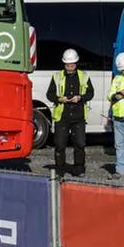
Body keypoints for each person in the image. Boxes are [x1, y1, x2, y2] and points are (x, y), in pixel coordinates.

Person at [47, 48, 92, 177]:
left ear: (76, 63)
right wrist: (58, 99)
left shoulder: (84, 76)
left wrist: (81, 98)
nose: (70, 67)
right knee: (60, 145)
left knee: (79, 145)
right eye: (67, 65)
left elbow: (90, 93)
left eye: (72, 65)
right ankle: (60, 170)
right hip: (62, 116)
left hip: (78, 116)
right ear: (64, 64)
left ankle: (79, 169)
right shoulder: (57, 77)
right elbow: (49, 94)